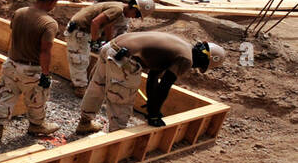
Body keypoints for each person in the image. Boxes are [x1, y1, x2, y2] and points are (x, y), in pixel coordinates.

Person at [75, 32, 225, 135]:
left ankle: (85, 122)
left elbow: (154, 75)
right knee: (122, 98)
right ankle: (115, 139)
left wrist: (152, 103)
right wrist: (153, 114)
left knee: (98, 87)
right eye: (201, 66)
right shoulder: (186, 59)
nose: (196, 68)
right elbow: (165, 85)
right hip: (124, 58)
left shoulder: (181, 46)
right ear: (204, 61)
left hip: (110, 47)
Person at [0, 0, 64, 143]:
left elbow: (14, 33)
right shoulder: (49, 24)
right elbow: (45, 51)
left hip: (11, 64)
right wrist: (45, 74)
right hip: (31, 70)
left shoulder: (20, 12)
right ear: (52, 0)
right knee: (37, 98)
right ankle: (36, 125)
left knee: (6, 95)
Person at [63, 0, 156, 97]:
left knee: (83, 57)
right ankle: (80, 87)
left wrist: (109, 42)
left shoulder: (120, 10)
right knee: (79, 59)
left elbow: (108, 26)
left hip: (83, 30)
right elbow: (95, 22)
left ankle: (78, 82)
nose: (134, 18)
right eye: (137, 15)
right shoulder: (117, 9)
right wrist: (94, 40)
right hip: (79, 30)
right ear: (133, 8)